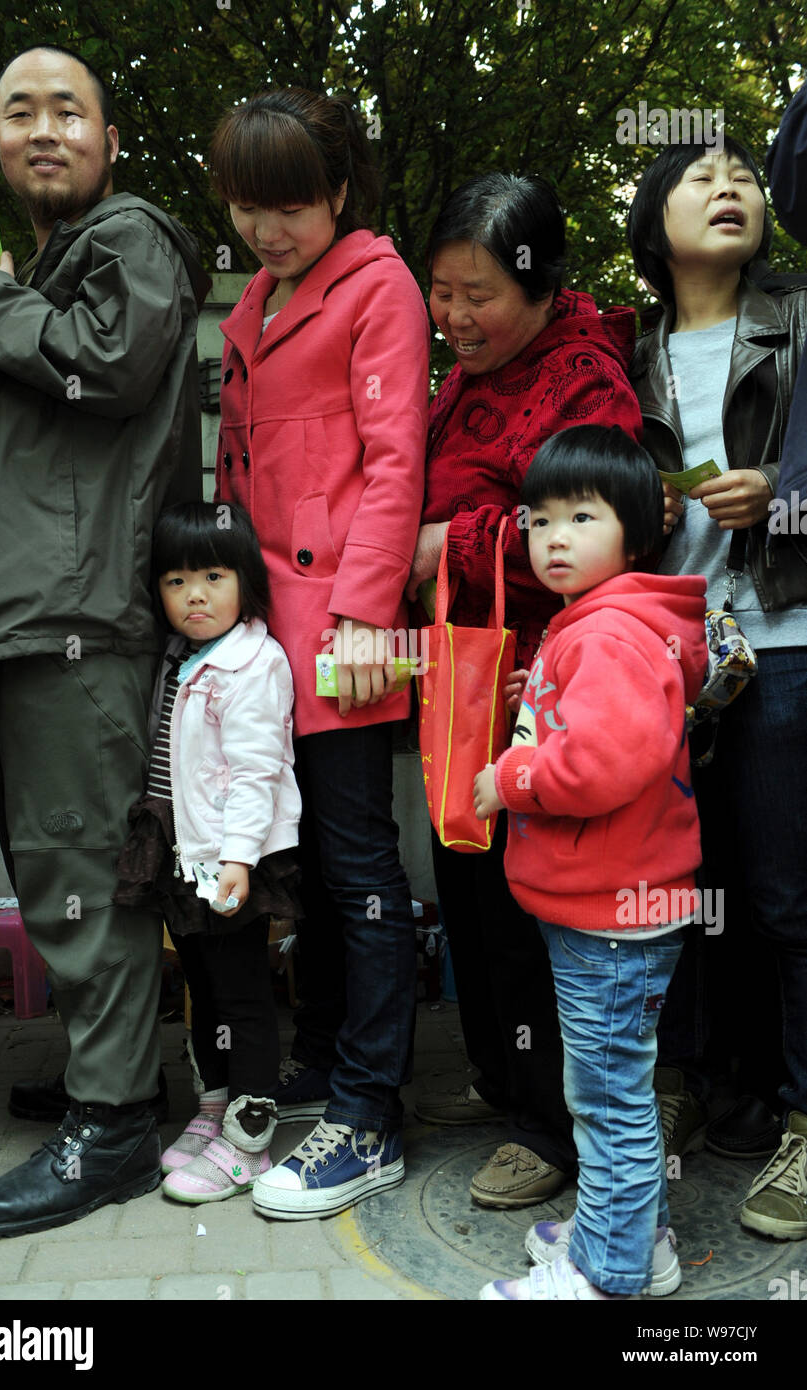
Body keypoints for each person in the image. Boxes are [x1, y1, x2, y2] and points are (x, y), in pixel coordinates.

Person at [0, 46, 209, 1237]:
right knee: (59, 866)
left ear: (109, 141)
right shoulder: (49, 267)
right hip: (30, 609)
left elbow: (107, 360)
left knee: (83, 869)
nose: (43, 128)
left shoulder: (132, 235)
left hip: (74, 611)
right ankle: (116, 1082)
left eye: (68, 110)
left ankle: (109, 1135)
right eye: (17, 112)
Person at [210, 88, 429, 1219]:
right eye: (250, 206)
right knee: (308, 866)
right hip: (260, 635)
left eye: (288, 204)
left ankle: (372, 1111)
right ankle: (330, 1058)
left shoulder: (376, 283)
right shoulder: (256, 298)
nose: (267, 228)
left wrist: (360, 617)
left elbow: (396, 462)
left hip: (342, 626)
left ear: (339, 191)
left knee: (358, 867)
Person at [406, 172, 642, 1212]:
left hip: (545, 688)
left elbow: (592, 537)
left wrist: (445, 540)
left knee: (528, 904)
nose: (453, 316)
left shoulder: (587, 379)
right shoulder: (465, 376)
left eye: (478, 294)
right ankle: (507, 1083)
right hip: (463, 676)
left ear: (541, 284)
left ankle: (552, 1128)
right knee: (468, 884)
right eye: (440, 290)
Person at [473, 424, 707, 1299]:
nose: (554, 537)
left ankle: (606, 1273)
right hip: (609, 909)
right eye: (537, 520)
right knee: (615, 1089)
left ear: (638, 531)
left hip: (612, 913)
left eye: (580, 516)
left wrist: (509, 776)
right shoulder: (602, 624)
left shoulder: (606, 632)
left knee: (606, 1099)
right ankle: (634, 1240)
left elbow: (601, 764)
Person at [627, 136, 807, 1240]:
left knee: (788, 897)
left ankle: (799, 1116)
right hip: (662, 657)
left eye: (743, 175)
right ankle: (687, 1080)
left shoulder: (798, 320)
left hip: (784, 637)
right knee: (675, 894)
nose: (728, 186)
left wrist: (782, 505)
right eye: (699, 176)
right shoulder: (620, 347)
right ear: (653, 221)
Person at [113, 500, 301, 1203]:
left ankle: (250, 1136)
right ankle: (216, 1103)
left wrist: (238, 861)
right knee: (203, 987)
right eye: (176, 581)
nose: (195, 596)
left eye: (213, 577)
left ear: (245, 582)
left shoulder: (253, 662)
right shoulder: (181, 654)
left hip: (232, 859)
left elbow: (258, 772)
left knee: (243, 993)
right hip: (187, 856)